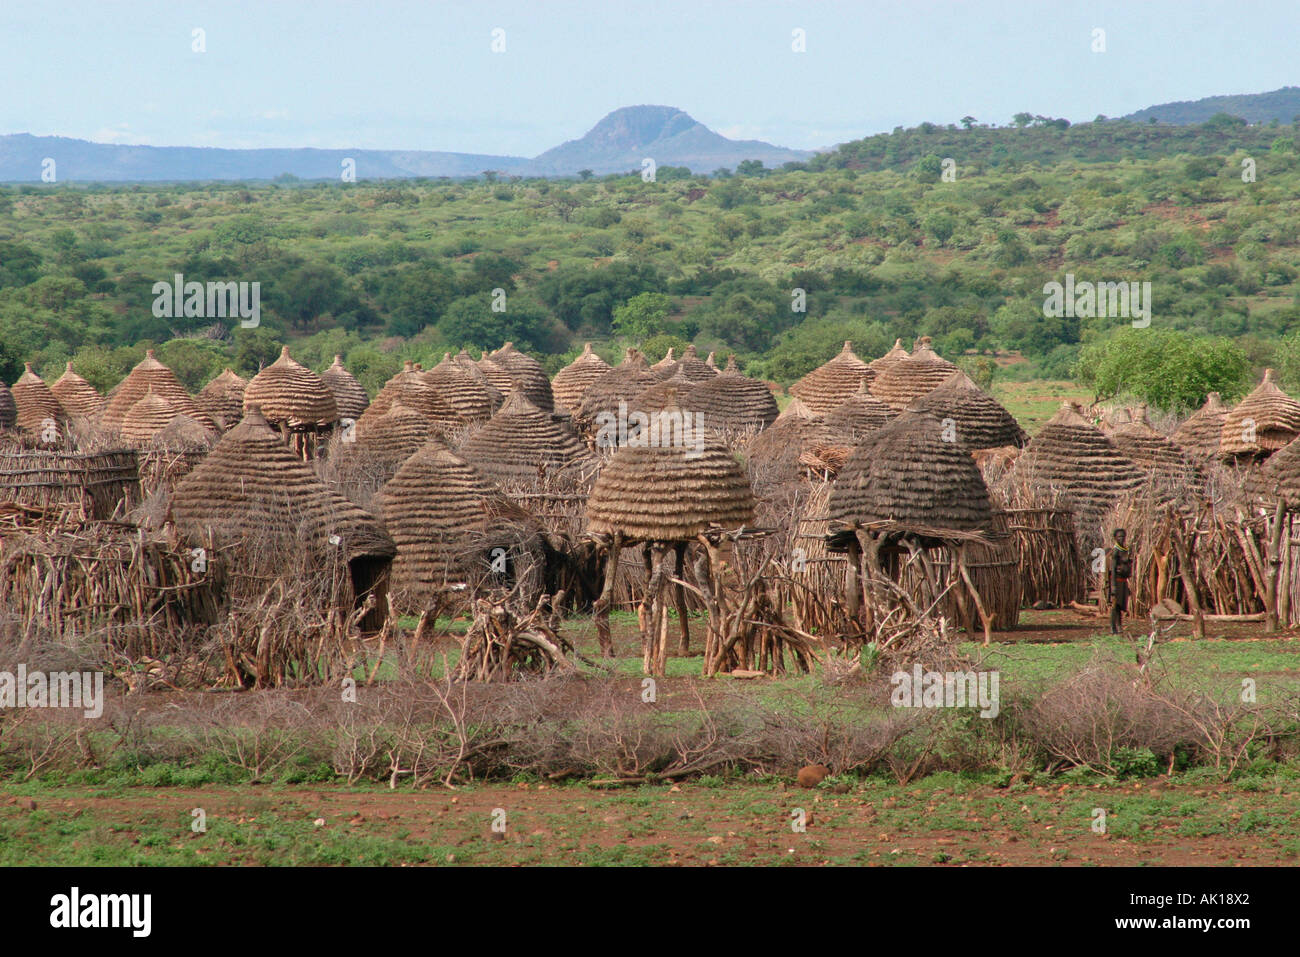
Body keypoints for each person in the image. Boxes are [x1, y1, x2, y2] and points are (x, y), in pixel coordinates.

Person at [1106, 528, 1133, 634]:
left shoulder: (1124, 550)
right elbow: (1112, 570)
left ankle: (1119, 626)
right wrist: (1113, 586)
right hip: (1116, 581)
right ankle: (1113, 627)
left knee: (1120, 605)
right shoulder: (1116, 551)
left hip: (1123, 581)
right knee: (1114, 605)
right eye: (1119, 537)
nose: (1121, 538)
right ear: (1115, 538)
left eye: (1123, 536)